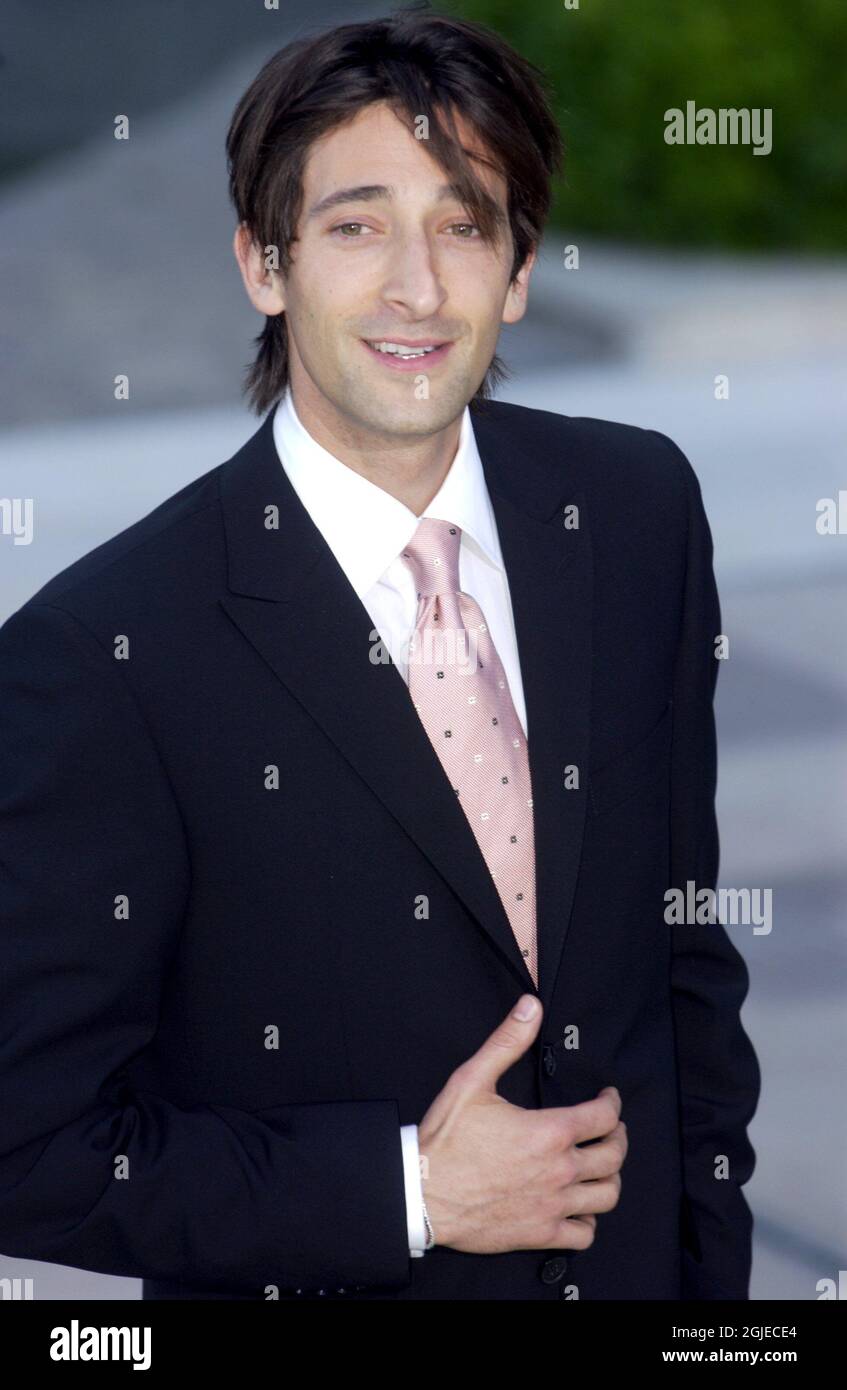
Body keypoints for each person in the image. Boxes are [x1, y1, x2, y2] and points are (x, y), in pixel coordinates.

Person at [0, 9, 759, 1301]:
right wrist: (410, 1190)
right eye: (357, 225)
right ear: (264, 260)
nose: (417, 285)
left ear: (519, 269)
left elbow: (687, 970)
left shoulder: (635, 515)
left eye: (464, 223)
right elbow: (33, 1144)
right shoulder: (103, 656)